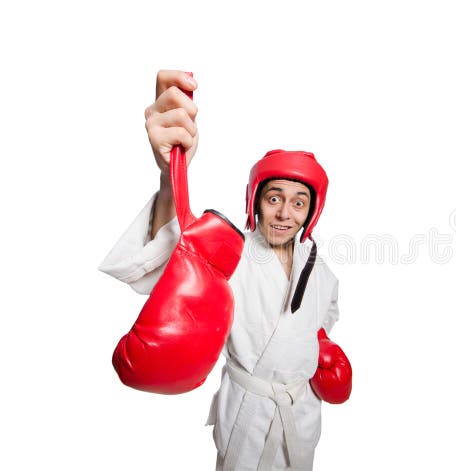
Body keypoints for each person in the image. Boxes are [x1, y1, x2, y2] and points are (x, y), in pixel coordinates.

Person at [99, 70, 349, 471]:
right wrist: (171, 176)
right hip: (248, 414)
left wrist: (319, 343)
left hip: (301, 414)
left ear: (311, 212)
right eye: (275, 198)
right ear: (255, 200)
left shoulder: (320, 269)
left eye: (298, 202)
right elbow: (174, 256)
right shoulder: (229, 252)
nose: (285, 213)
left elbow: (324, 315)